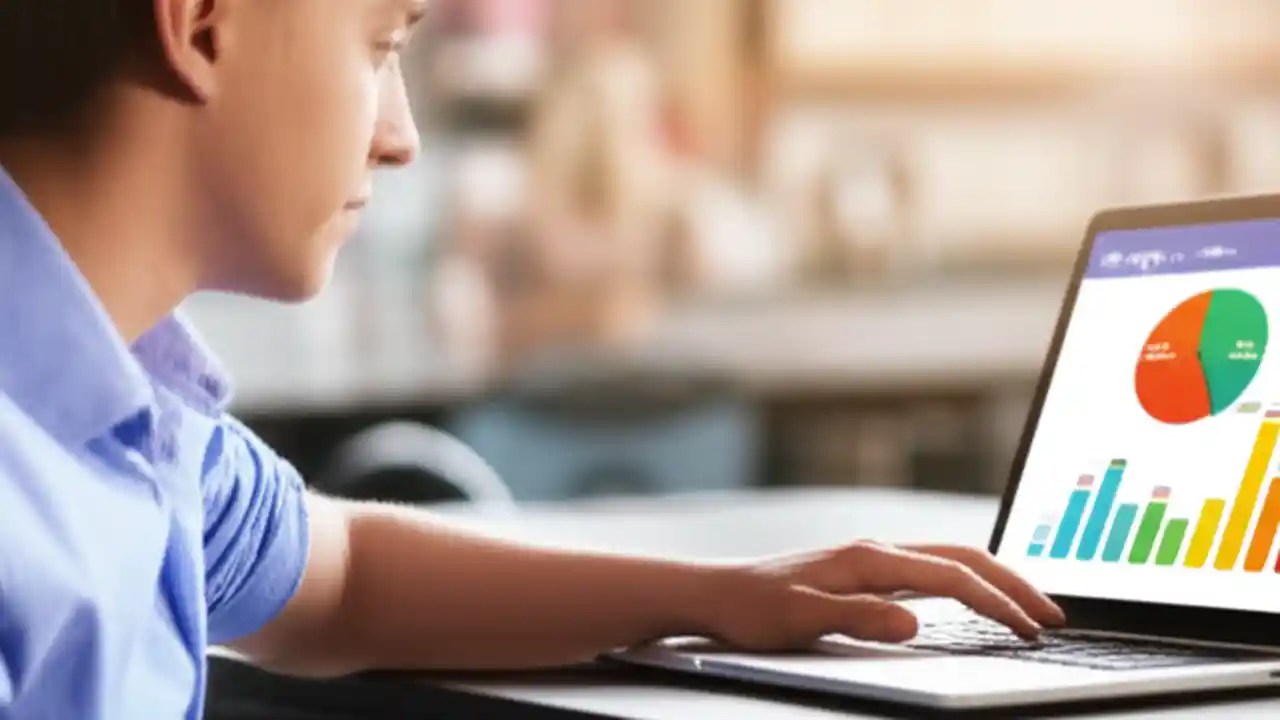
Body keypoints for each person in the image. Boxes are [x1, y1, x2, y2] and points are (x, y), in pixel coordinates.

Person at [0, 1, 1065, 717]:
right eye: (378, 45)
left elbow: (343, 578)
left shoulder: (136, 414)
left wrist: (720, 595)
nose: (399, 133)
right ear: (200, 23)